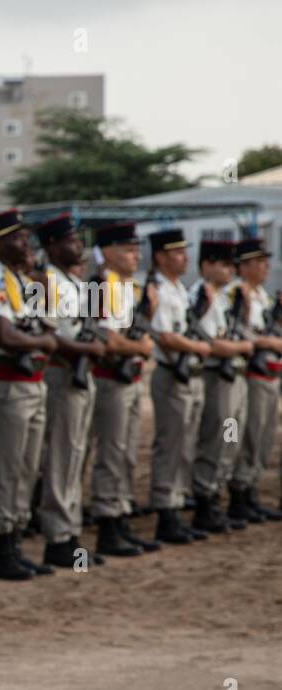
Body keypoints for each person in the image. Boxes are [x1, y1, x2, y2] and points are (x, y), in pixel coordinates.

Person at [0, 209, 58, 580]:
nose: (26, 244)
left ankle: (16, 541)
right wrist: (43, 341)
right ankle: (3, 546)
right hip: (9, 384)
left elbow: (43, 319)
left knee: (27, 467)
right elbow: (7, 336)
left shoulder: (20, 280)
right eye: (17, 238)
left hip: (32, 382)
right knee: (8, 469)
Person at [34, 216, 107, 568]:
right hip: (62, 375)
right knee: (62, 458)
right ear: (51, 245)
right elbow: (51, 337)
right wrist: (85, 351)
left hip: (80, 377)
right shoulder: (46, 283)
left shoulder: (73, 283)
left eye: (78, 241)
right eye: (69, 241)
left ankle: (70, 531)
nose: (77, 247)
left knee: (77, 455)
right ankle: (60, 538)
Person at [90, 222, 159, 557]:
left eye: (136, 249)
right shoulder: (103, 286)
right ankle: (107, 520)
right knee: (112, 452)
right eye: (128, 250)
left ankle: (121, 515)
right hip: (109, 378)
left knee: (128, 452)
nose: (136, 256)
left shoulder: (127, 287)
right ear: (107, 252)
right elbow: (109, 339)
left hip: (128, 378)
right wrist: (141, 348)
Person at [147, 228, 212, 543]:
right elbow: (167, 337)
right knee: (171, 444)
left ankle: (176, 504)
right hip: (172, 372)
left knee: (185, 444)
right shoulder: (158, 288)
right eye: (177, 252)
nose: (185, 257)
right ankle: (166, 512)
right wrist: (198, 348)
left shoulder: (178, 288)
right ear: (160, 256)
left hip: (189, 374)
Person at [190, 240, 252, 532]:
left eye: (232, 265)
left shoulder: (225, 296)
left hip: (232, 376)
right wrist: (240, 346)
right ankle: (206, 497)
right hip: (217, 377)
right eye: (224, 264)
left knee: (230, 438)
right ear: (206, 266)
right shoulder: (201, 295)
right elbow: (208, 341)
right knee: (217, 438)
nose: (231, 270)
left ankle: (217, 492)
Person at [225, 237, 282, 522]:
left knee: (263, 437)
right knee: (246, 435)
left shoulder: (262, 295)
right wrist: (270, 341)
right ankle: (239, 491)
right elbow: (240, 334)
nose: (265, 267)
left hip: (270, 374)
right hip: (251, 374)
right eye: (259, 262)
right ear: (244, 267)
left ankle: (251, 489)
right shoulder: (239, 294)